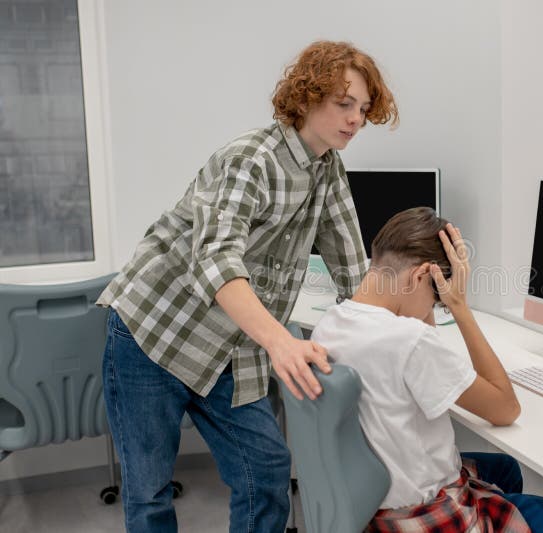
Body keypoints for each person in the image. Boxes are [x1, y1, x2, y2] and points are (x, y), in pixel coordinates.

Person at [97, 41, 398, 532]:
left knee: (267, 471)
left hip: (230, 349)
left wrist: (407, 326)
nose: (355, 119)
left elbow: (352, 270)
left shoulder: (328, 171)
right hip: (154, 334)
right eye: (344, 103)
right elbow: (216, 259)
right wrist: (281, 342)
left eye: (363, 108)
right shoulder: (251, 159)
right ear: (307, 97)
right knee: (149, 492)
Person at [311, 207, 543, 532]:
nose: (435, 305)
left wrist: (427, 298)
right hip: (426, 513)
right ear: (421, 276)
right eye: (436, 297)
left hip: (372, 505)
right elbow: (506, 409)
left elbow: (418, 343)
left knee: (505, 468)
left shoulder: (331, 324)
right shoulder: (409, 341)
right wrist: (459, 305)